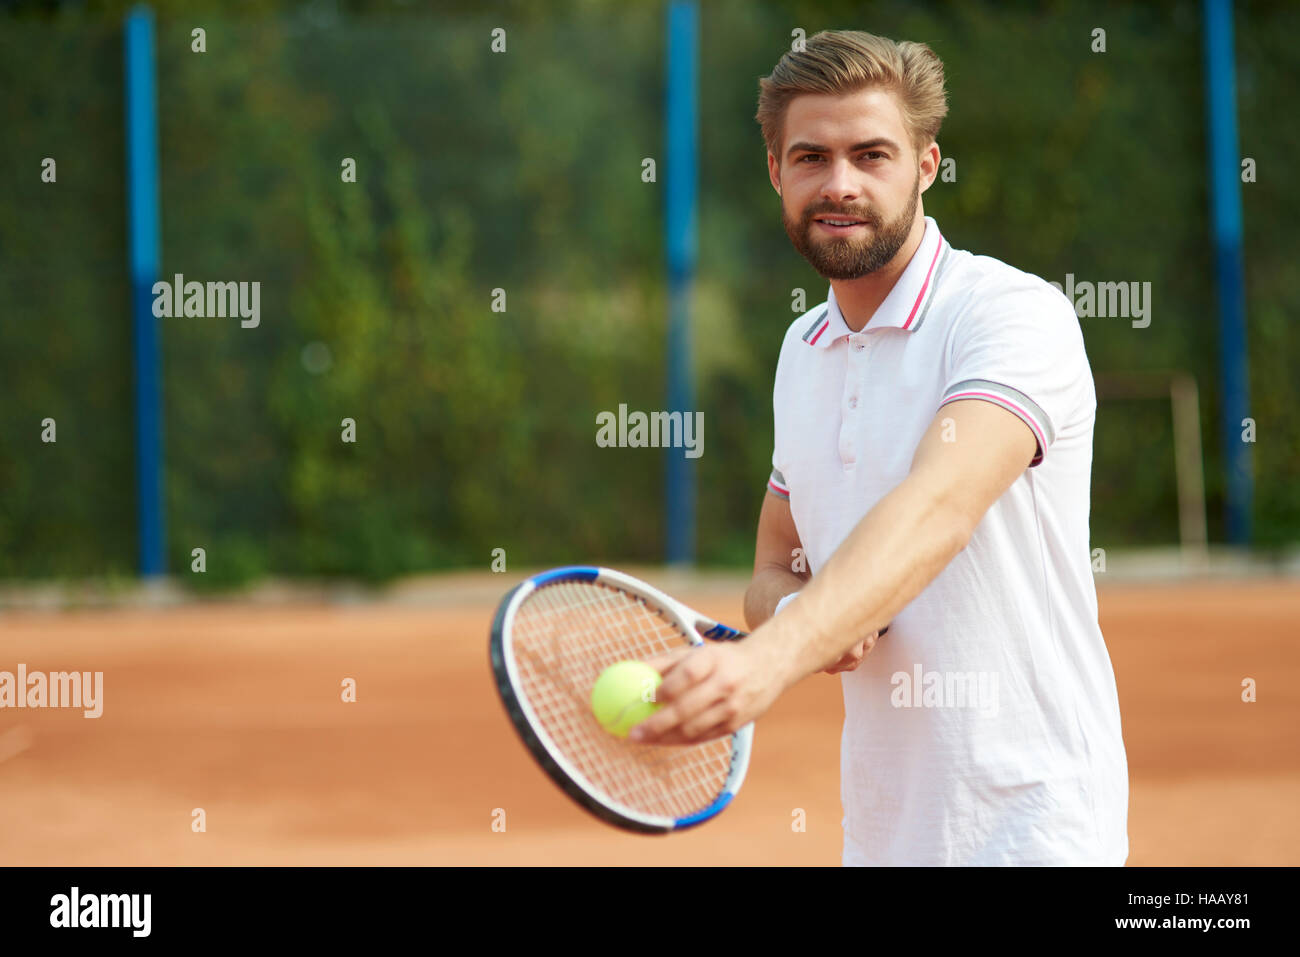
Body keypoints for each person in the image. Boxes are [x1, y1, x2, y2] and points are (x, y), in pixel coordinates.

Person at [633, 29, 1129, 866]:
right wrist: (804, 615)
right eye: (811, 158)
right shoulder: (803, 348)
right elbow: (777, 557)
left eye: (872, 154)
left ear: (927, 165)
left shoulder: (1010, 315)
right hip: (880, 835)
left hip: (1033, 831)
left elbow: (942, 502)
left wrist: (773, 660)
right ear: (776, 175)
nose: (841, 184)